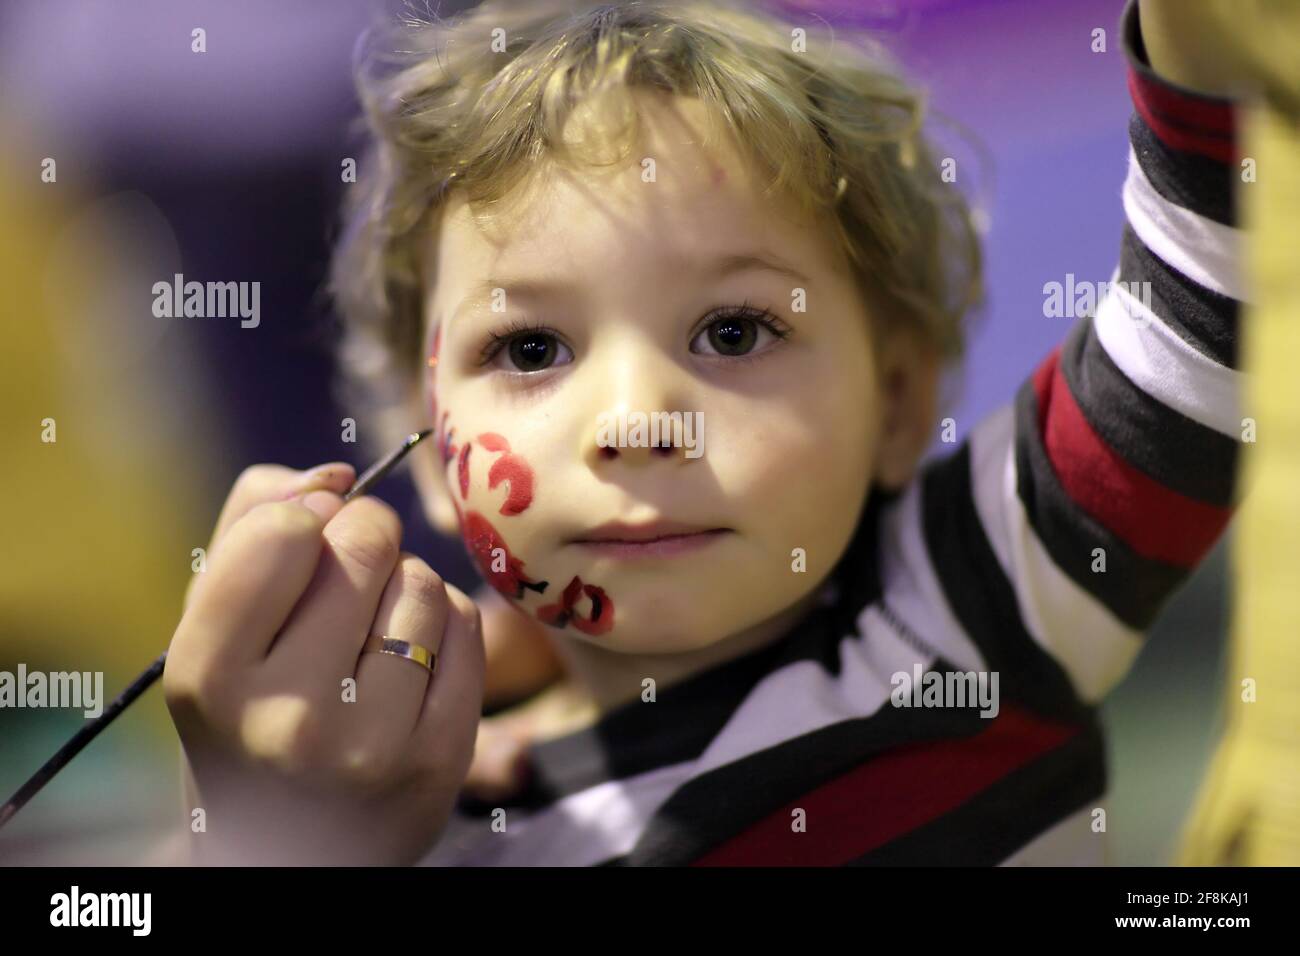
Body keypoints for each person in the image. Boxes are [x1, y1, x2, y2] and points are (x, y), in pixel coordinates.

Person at [164, 0, 1256, 865]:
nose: (637, 423)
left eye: (734, 330)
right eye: (531, 349)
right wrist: (269, 830)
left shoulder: (967, 602)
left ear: (896, 400)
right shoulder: (407, 814)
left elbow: (1208, 283)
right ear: (427, 447)